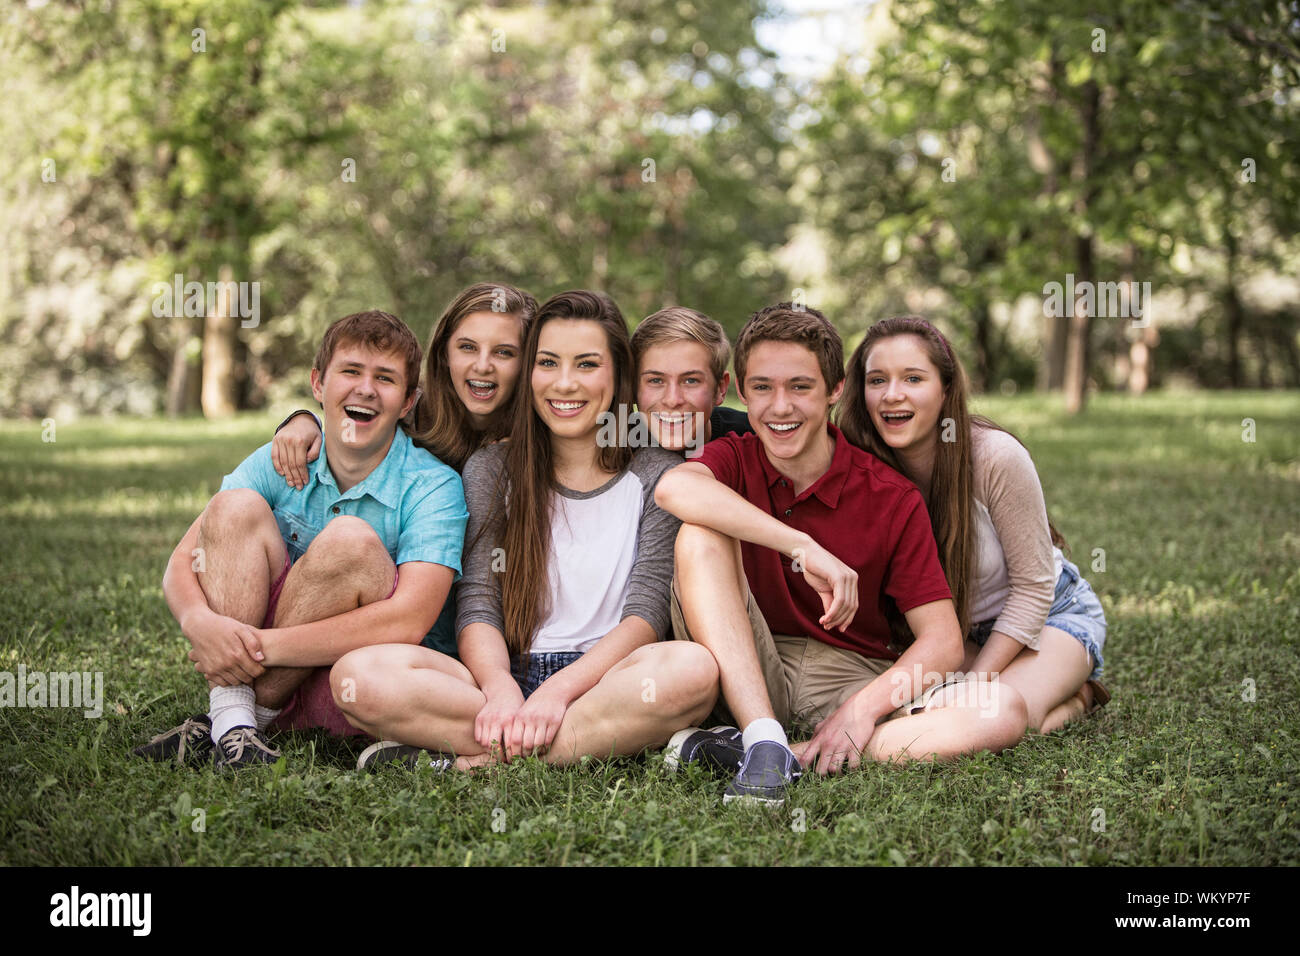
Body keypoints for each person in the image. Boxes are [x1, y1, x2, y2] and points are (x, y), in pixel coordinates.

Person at [655, 303, 1028, 805]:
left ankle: (779, 752)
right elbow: (675, 489)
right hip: (746, 658)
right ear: (742, 391)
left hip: (847, 674)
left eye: (800, 387)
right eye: (762, 387)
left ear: (834, 391)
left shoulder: (889, 496)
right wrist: (803, 547)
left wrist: (862, 711)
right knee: (699, 536)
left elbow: (941, 641)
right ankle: (763, 736)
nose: (779, 407)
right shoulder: (735, 456)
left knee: (1000, 710)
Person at [332, 291, 719, 770]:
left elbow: (645, 615)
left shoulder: (656, 473)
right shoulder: (493, 468)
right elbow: (478, 602)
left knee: (692, 671)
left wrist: (558, 693)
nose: (564, 383)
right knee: (359, 675)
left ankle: (475, 762)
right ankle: (565, 745)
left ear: (619, 375)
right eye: (548, 363)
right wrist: (499, 690)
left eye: (586, 365)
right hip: (498, 683)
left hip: (607, 682)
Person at [132, 311, 468, 769]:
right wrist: (200, 625)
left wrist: (250, 647)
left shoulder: (433, 485)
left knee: (349, 540)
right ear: (318, 384)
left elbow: (408, 620)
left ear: (408, 402)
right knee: (232, 507)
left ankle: (237, 719)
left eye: (385, 378)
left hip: (356, 684)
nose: (365, 388)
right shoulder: (280, 459)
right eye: (350, 371)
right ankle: (236, 725)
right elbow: (187, 557)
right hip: (268, 671)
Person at [838, 315, 1109, 736]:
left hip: (1050, 618)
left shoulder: (994, 457)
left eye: (913, 378)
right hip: (957, 637)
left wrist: (975, 682)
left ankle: (1080, 694)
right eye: (877, 380)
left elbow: (1034, 588)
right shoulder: (862, 463)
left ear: (945, 390)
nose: (892, 395)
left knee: (1003, 712)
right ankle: (1063, 691)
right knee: (939, 714)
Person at [629, 306, 753, 455]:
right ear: (633, 387)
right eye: (656, 380)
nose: (673, 400)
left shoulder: (755, 440)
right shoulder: (610, 447)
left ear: (720, 389)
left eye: (691, 381)